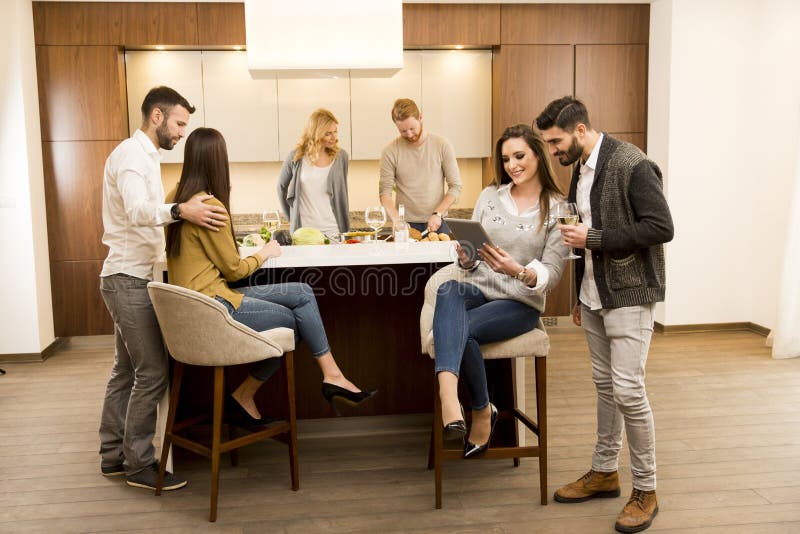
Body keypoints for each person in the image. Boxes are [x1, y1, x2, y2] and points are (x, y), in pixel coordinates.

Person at [167, 128, 376, 422]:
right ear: (218, 161)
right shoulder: (210, 206)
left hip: (203, 301)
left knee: (302, 292)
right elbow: (234, 269)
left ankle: (332, 375)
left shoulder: (176, 200)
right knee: (298, 323)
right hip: (214, 306)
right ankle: (250, 393)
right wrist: (264, 252)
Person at [536, 96, 674, 534]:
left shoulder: (633, 164)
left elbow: (661, 227)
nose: (553, 152)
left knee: (629, 391)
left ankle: (646, 490)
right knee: (604, 387)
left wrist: (594, 237)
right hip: (596, 294)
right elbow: (580, 237)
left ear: (579, 131)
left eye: (556, 142)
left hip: (632, 293)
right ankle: (605, 472)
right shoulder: (581, 167)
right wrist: (580, 295)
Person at [99, 86, 229, 491]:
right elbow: (139, 212)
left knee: (126, 371)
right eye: (178, 124)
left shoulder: (145, 157)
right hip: (129, 279)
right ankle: (139, 463)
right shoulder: (132, 158)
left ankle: (111, 455)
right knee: (153, 372)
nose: (181, 133)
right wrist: (181, 210)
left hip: (130, 276)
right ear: (157, 116)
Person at [433, 124, 566, 458]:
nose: (512, 165)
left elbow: (553, 272)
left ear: (538, 154)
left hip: (519, 301)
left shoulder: (557, 208)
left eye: (519, 156)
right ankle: (452, 398)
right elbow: (471, 253)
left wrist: (518, 270)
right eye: (506, 158)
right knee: (448, 287)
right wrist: (464, 256)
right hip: (478, 286)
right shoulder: (490, 196)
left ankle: (478, 408)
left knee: (456, 330)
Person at [379, 98, 462, 236]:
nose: (409, 135)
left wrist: (438, 213)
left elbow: (456, 186)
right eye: (403, 131)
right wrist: (395, 219)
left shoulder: (442, 145)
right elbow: (385, 193)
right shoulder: (390, 151)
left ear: (420, 117)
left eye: (412, 128)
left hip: (438, 221)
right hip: (406, 225)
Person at [277, 109, 350, 236]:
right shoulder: (296, 157)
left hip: (334, 230)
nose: (334, 138)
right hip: (304, 233)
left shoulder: (341, 157)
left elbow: (341, 193)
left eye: (335, 132)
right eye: (328, 134)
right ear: (316, 134)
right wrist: (292, 218)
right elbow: (281, 188)